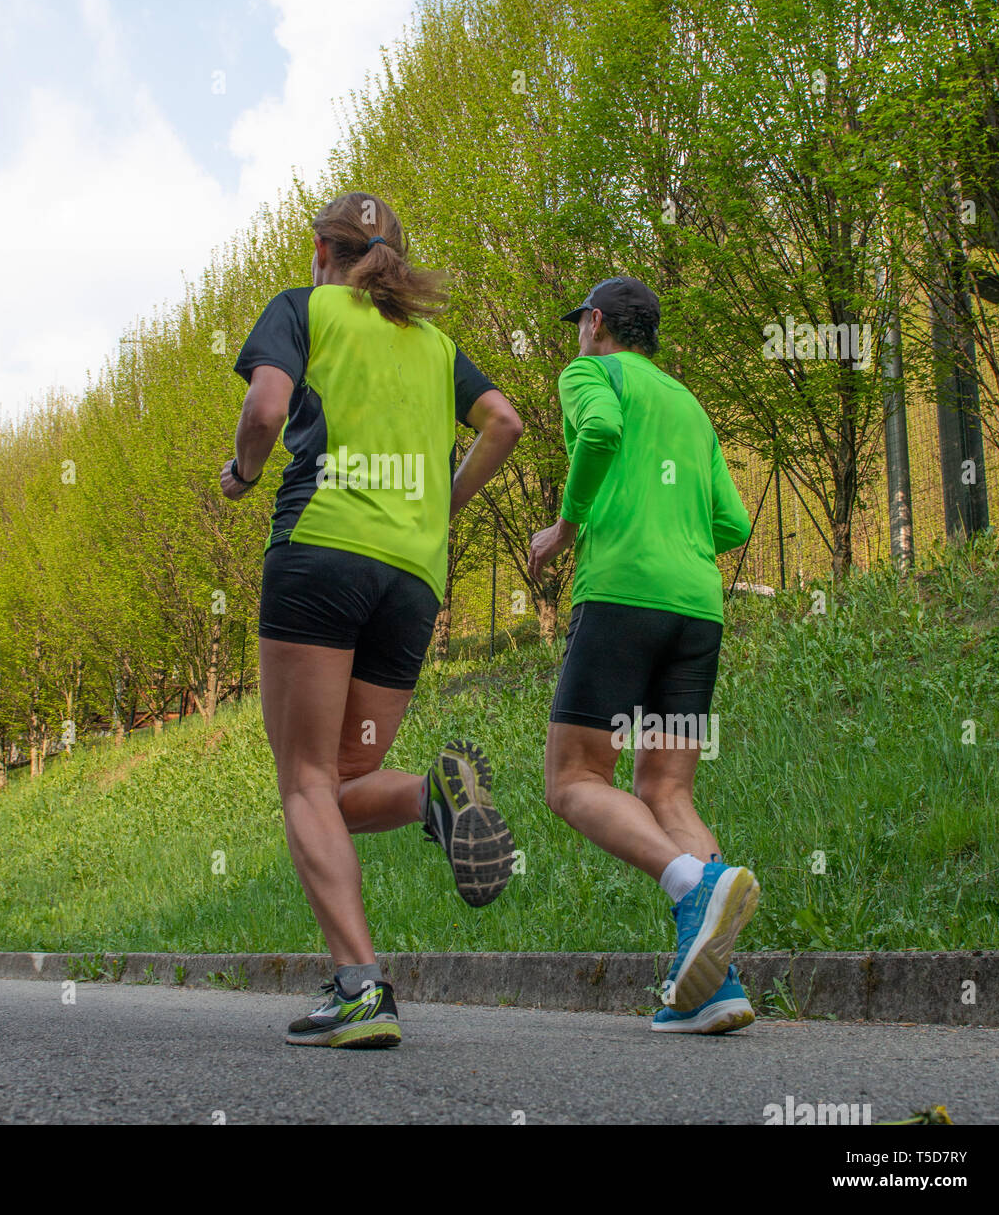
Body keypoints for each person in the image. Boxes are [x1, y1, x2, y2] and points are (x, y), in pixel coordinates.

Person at [223, 192, 524, 1048]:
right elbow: (503, 422)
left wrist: (244, 475)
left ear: (322, 250)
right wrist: (440, 506)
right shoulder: (433, 345)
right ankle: (435, 798)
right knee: (346, 780)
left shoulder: (301, 309)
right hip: (413, 576)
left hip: (322, 548)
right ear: (390, 256)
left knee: (304, 785)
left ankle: (361, 989)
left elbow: (267, 411)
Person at [528, 275, 758, 1034]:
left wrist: (567, 526)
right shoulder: (689, 406)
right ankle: (714, 989)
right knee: (668, 792)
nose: (576, 338)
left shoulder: (589, 372)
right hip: (696, 607)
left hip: (622, 595)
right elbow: (732, 521)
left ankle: (691, 885)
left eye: (579, 326)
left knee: (573, 780)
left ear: (596, 323)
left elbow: (597, 433)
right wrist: (676, 534)